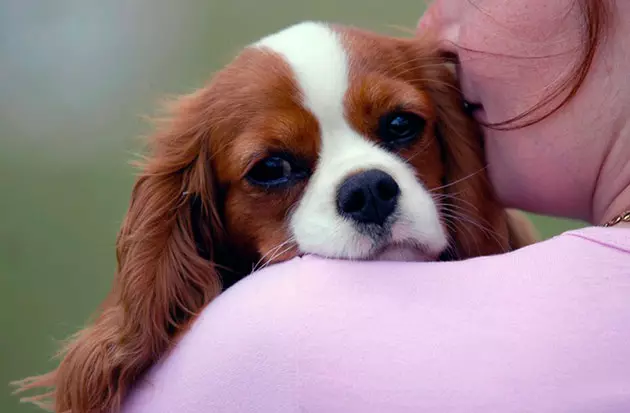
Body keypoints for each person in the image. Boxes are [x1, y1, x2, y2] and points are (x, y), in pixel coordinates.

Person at [121, 1, 630, 412]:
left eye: (400, 129)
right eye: (274, 170)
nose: (366, 189)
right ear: (192, 219)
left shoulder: (259, 346)